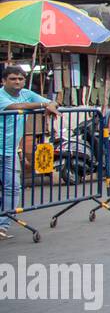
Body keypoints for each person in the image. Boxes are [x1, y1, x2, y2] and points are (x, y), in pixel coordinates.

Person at [0, 66, 58, 237]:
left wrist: (51, 105)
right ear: (3, 81)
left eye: (20, 78)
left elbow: (52, 102)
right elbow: (18, 106)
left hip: (9, 151)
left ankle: (3, 225)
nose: (17, 81)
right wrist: (43, 105)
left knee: (13, 188)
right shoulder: (2, 95)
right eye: (12, 78)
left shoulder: (27, 92)